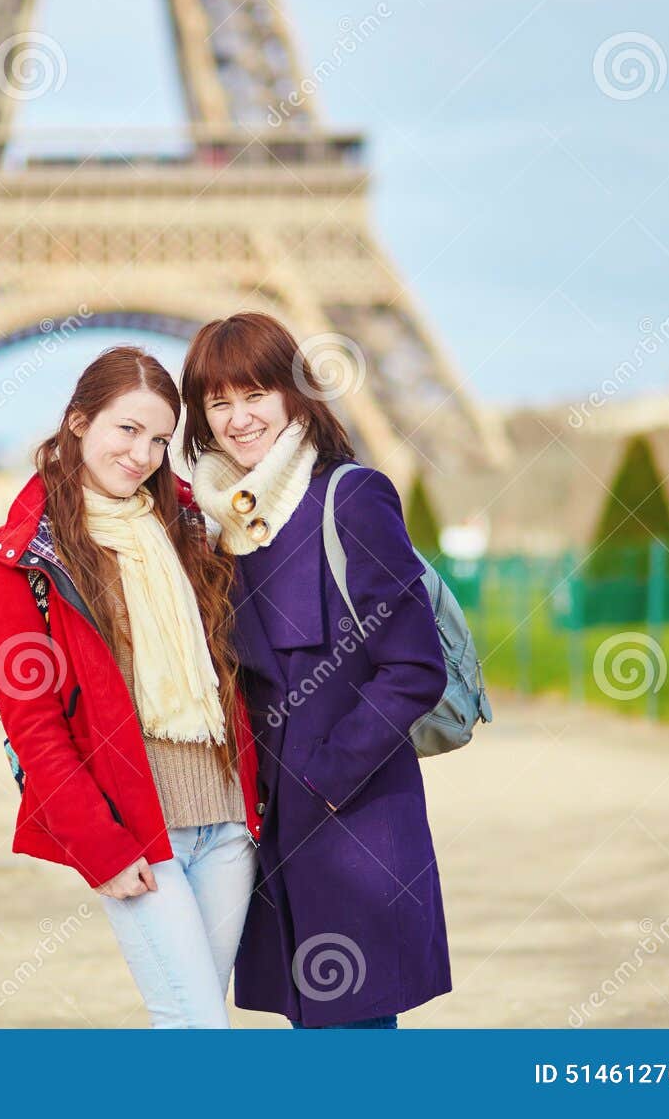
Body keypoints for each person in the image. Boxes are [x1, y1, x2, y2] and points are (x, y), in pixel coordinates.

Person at [0, 346, 263, 1028]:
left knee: (190, 1025)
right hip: (136, 829)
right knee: (198, 1026)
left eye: (160, 438)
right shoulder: (17, 568)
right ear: (78, 421)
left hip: (226, 822)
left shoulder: (192, 533)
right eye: (126, 429)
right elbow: (33, 727)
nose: (143, 454)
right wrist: (99, 845)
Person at [181, 311, 452, 1029]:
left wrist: (322, 778)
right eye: (218, 402)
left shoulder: (352, 497)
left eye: (254, 394)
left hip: (353, 818)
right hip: (270, 826)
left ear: (294, 395)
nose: (238, 419)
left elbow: (414, 666)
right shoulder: (213, 524)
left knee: (353, 1034)